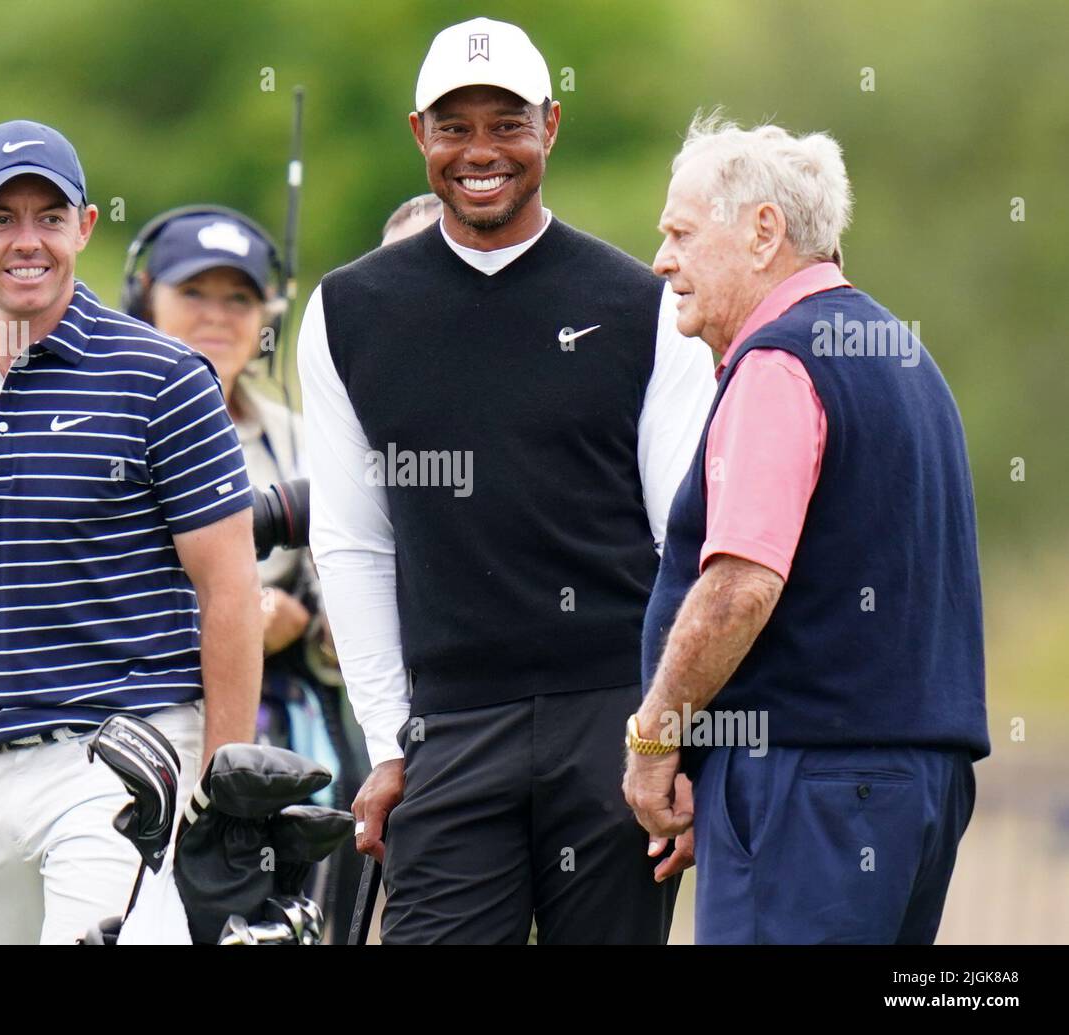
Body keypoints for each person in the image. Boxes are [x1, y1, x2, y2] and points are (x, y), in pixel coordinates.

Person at [298, 18, 717, 944]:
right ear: (420, 135)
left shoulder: (640, 305)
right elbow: (355, 543)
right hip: (448, 727)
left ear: (551, 127)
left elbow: (682, 543)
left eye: (507, 123)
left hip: (613, 722)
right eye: (455, 126)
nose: (481, 151)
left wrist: (671, 737)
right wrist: (389, 739)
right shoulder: (347, 313)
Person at [0, 120, 263, 944]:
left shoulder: (163, 376)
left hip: (129, 753)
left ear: (85, 226)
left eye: (50, 217)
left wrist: (226, 789)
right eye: (1, 218)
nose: (28, 241)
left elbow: (228, 587)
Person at [624, 112, 989, 944]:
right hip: (910, 788)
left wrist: (655, 738)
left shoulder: (779, 362)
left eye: (680, 232)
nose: (662, 261)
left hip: (808, 785)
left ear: (763, 233)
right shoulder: (906, 356)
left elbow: (741, 584)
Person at [126, 206, 367, 940]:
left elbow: (361, 583)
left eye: (238, 298)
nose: (217, 316)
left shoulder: (302, 438)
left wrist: (303, 623)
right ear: (145, 298)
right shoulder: (109, 420)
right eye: (193, 293)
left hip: (287, 723)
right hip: (142, 724)